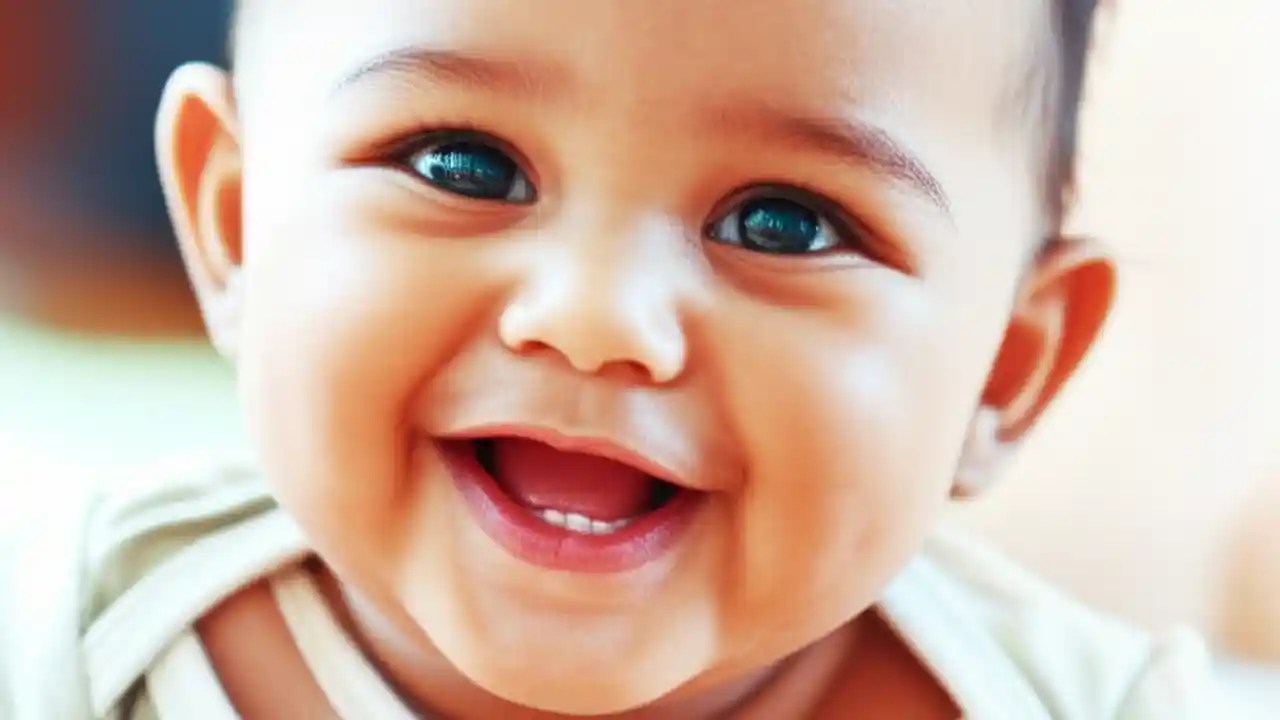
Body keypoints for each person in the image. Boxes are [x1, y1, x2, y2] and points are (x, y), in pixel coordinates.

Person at [0, 0, 1219, 717]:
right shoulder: (65, 648)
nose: (595, 318)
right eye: (464, 164)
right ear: (235, 227)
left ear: (1001, 374)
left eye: (783, 222)